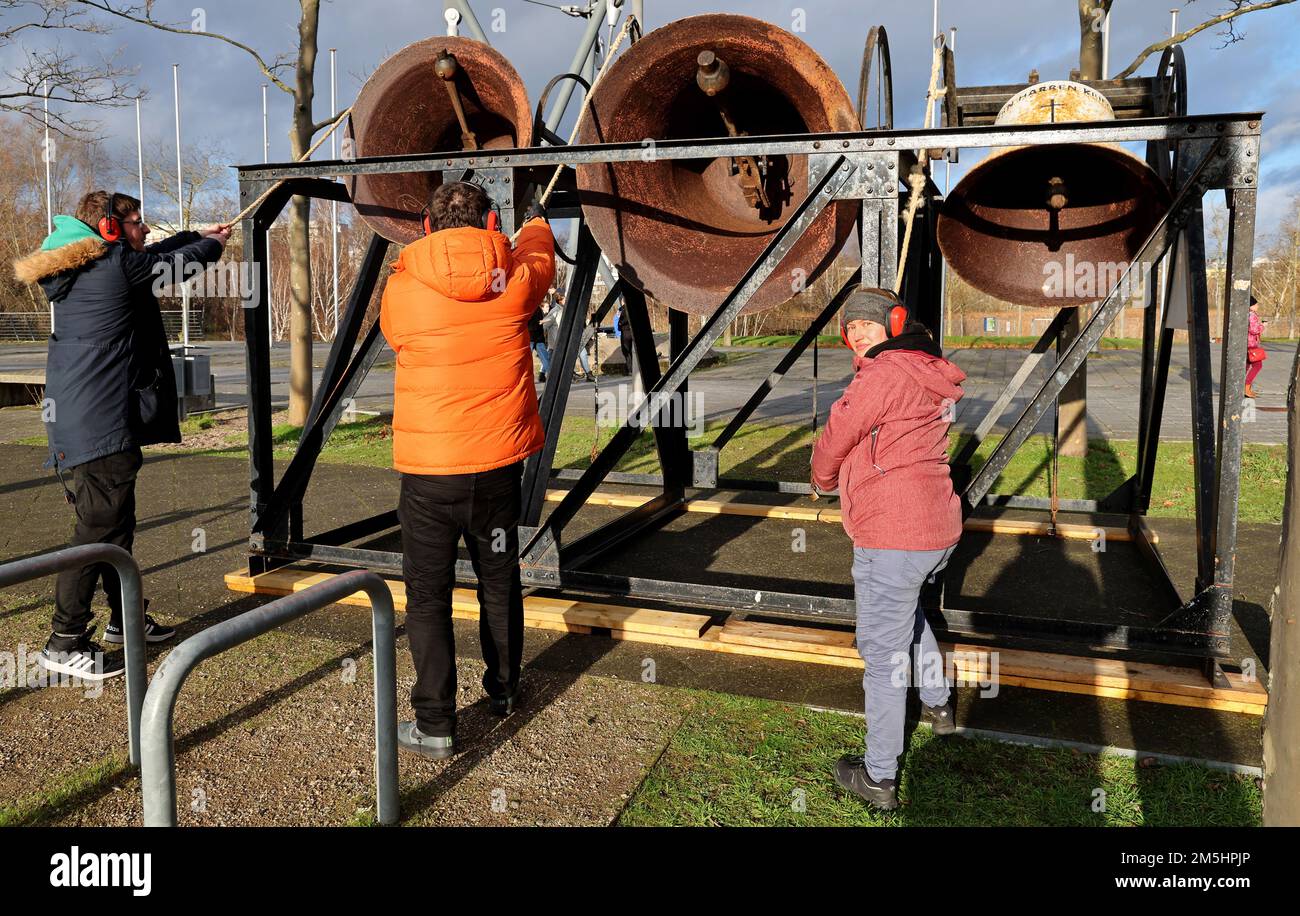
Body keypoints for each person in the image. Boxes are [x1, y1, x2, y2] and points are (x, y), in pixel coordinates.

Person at [12, 191, 229, 681]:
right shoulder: (113, 268)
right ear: (109, 229)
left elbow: (152, 256)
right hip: (97, 423)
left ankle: (123, 619)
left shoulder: (93, 263)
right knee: (97, 529)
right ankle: (64, 640)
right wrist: (211, 248)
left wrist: (197, 235)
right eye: (135, 222)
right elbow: (168, 268)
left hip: (90, 417)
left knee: (115, 525)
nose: (144, 229)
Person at [379, 182, 555, 759]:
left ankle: (435, 724)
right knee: (498, 583)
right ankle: (504, 692)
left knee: (427, 597)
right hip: (496, 470)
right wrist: (535, 223)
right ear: (491, 219)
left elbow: (398, 337)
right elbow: (539, 262)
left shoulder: (403, 288)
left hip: (429, 474)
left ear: (426, 226)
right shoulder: (513, 278)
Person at [810, 287, 967, 811]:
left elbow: (837, 434)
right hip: (935, 529)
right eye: (850, 327)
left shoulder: (884, 372)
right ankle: (940, 707)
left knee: (880, 655)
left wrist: (821, 478)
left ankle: (878, 778)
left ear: (894, 324)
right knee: (911, 615)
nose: (857, 333)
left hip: (893, 534)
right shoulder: (925, 366)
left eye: (868, 325)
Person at [1246, 295, 1267, 399]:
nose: (1257, 306)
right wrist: (1263, 326)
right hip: (1251, 345)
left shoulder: (1247, 314)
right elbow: (1254, 330)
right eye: (1256, 304)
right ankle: (1246, 387)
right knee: (1258, 366)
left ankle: (1245, 388)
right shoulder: (1252, 315)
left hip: (1246, 344)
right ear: (1251, 306)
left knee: (1246, 367)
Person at [529, 294, 551, 383]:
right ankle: (551, 376)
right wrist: (542, 322)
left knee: (545, 358)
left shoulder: (534, 309)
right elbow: (535, 323)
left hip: (535, 338)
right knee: (545, 358)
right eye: (546, 306)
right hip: (534, 338)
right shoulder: (536, 309)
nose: (548, 308)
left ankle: (550, 375)